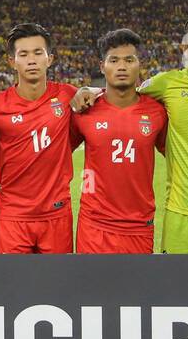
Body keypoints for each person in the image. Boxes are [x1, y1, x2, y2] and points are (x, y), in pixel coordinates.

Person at [77, 12, 188, 253]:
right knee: (177, 287)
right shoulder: (166, 84)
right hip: (180, 212)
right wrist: (88, 89)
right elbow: (125, 90)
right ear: (185, 48)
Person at [0, 23, 77, 254]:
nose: (31, 60)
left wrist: (88, 91)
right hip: (13, 215)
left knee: (56, 285)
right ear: (12, 62)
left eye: (38, 53)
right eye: (23, 54)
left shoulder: (68, 96)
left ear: (50, 59)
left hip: (56, 213)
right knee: (14, 286)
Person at [69, 29, 167, 254]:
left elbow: (177, 155)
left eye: (129, 60)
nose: (121, 66)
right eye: (114, 60)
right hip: (94, 226)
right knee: (92, 288)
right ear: (102, 66)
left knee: (136, 289)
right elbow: (55, 152)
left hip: (139, 226)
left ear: (139, 64)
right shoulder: (84, 110)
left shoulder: (157, 112)